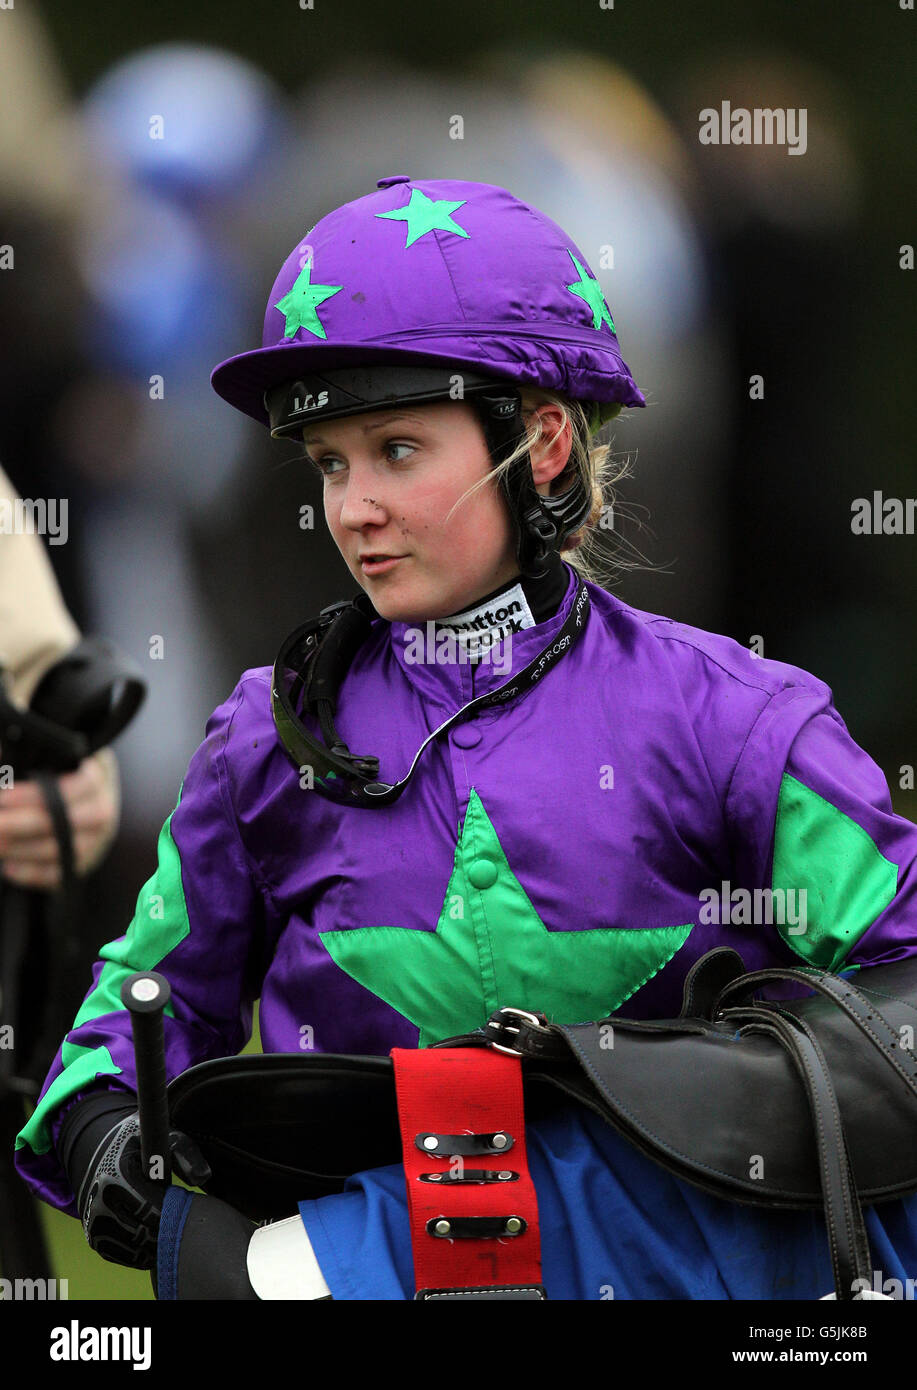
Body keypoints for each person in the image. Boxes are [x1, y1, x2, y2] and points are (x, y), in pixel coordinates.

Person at [13, 177, 917, 1300]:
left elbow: (901, 1006)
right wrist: (108, 1138)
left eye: (396, 449)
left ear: (539, 445)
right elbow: (138, 1013)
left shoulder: (736, 716)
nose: (352, 507)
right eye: (330, 463)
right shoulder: (265, 733)